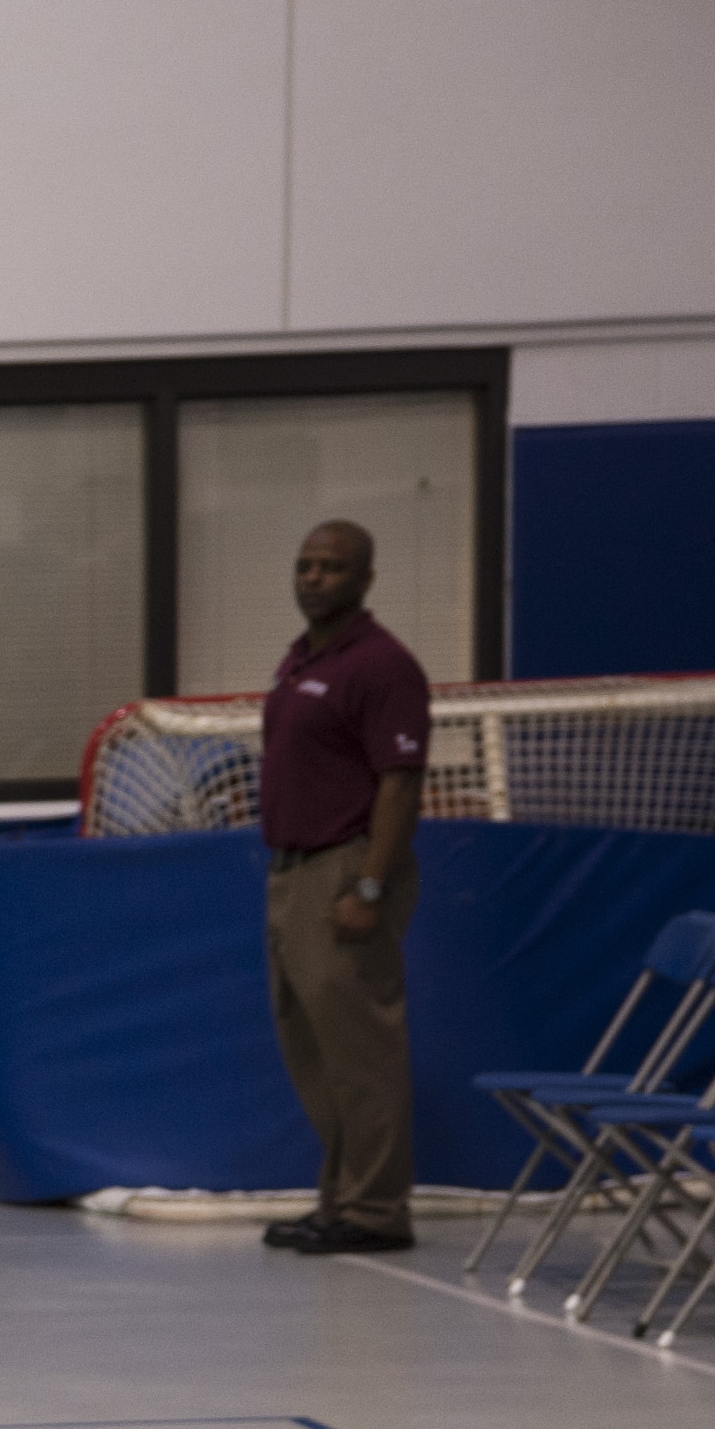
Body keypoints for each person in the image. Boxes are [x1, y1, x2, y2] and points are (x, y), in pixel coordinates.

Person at [258, 519, 431, 1256]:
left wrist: (367, 885)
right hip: (290, 870)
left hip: (345, 867)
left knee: (362, 1053)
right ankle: (341, 1200)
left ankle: (376, 1213)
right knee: (314, 1051)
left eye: (331, 568)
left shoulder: (382, 665)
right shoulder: (301, 660)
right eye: (304, 565)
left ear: (365, 580)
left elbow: (399, 784)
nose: (313, 578)